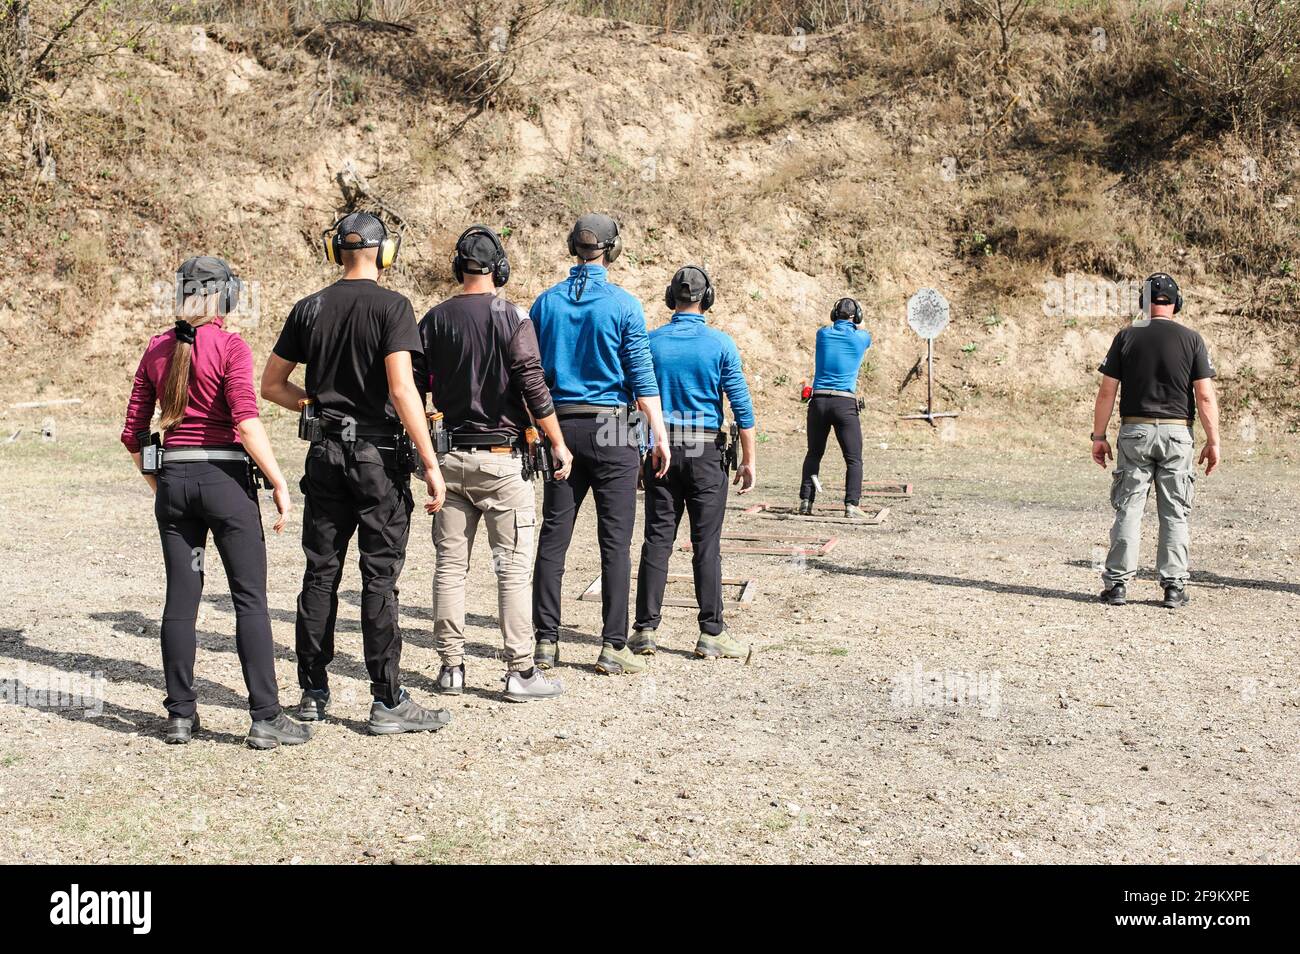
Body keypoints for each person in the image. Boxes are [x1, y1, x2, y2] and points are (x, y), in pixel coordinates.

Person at [261, 211, 450, 734]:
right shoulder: (394, 307)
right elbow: (400, 389)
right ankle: (387, 699)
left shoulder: (309, 307)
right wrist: (430, 463)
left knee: (320, 572)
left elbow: (272, 385)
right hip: (377, 460)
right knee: (379, 577)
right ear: (385, 254)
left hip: (324, 456)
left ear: (335, 251)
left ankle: (312, 693)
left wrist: (318, 407)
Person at [122, 256, 311, 749]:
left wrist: (158, 485)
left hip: (176, 482)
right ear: (225, 297)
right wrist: (278, 481)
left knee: (181, 601)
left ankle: (180, 716)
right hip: (225, 482)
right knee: (249, 598)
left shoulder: (156, 347)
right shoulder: (229, 345)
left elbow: (134, 433)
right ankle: (265, 715)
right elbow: (247, 424)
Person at [415, 225, 574, 701]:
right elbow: (532, 383)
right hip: (503, 462)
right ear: (499, 268)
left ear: (457, 268)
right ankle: (520, 672)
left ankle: (451, 668)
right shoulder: (513, 317)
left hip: (448, 458)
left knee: (449, 566)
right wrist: (558, 443)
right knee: (510, 569)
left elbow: (415, 384)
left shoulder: (434, 318)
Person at [529, 213, 671, 676]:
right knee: (615, 541)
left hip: (561, 427)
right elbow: (642, 377)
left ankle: (546, 642)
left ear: (573, 247)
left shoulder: (544, 304)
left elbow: (530, 375)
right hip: (613, 426)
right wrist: (660, 435)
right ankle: (612, 645)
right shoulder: (625, 304)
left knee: (554, 536)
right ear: (612, 250)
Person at [631, 265, 757, 660]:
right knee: (706, 545)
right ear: (708, 298)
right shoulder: (720, 344)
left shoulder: (650, 342)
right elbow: (741, 406)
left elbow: (635, 402)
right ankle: (710, 632)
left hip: (660, 450)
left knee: (657, 540)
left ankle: (645, 630)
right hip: (705, 452)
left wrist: (639, 452)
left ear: (672, 298)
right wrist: (750, 458)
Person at [1092, 272, 1220, 609]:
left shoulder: (1126, 337)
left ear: (1142, 302)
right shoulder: (1193, 339)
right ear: (1177, 303)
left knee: (1129, 510)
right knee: (1175, 513)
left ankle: (1118, 585)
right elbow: (1205, 397)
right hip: (1178, 433)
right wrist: (1213, 440)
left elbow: (1107, 391)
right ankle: (1173, 587)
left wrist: (1099, 435)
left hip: (1135, 431)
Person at [798, 298, 873, 517]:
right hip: (844, 403)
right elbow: (862, 330)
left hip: (819, 402)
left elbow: (831, 329)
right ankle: (851, 504)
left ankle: (806, 502)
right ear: (855, 317)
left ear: (834, 314)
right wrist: (859, 321)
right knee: (853, 458)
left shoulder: (822, 334)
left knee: (814, 454)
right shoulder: (862, 338)